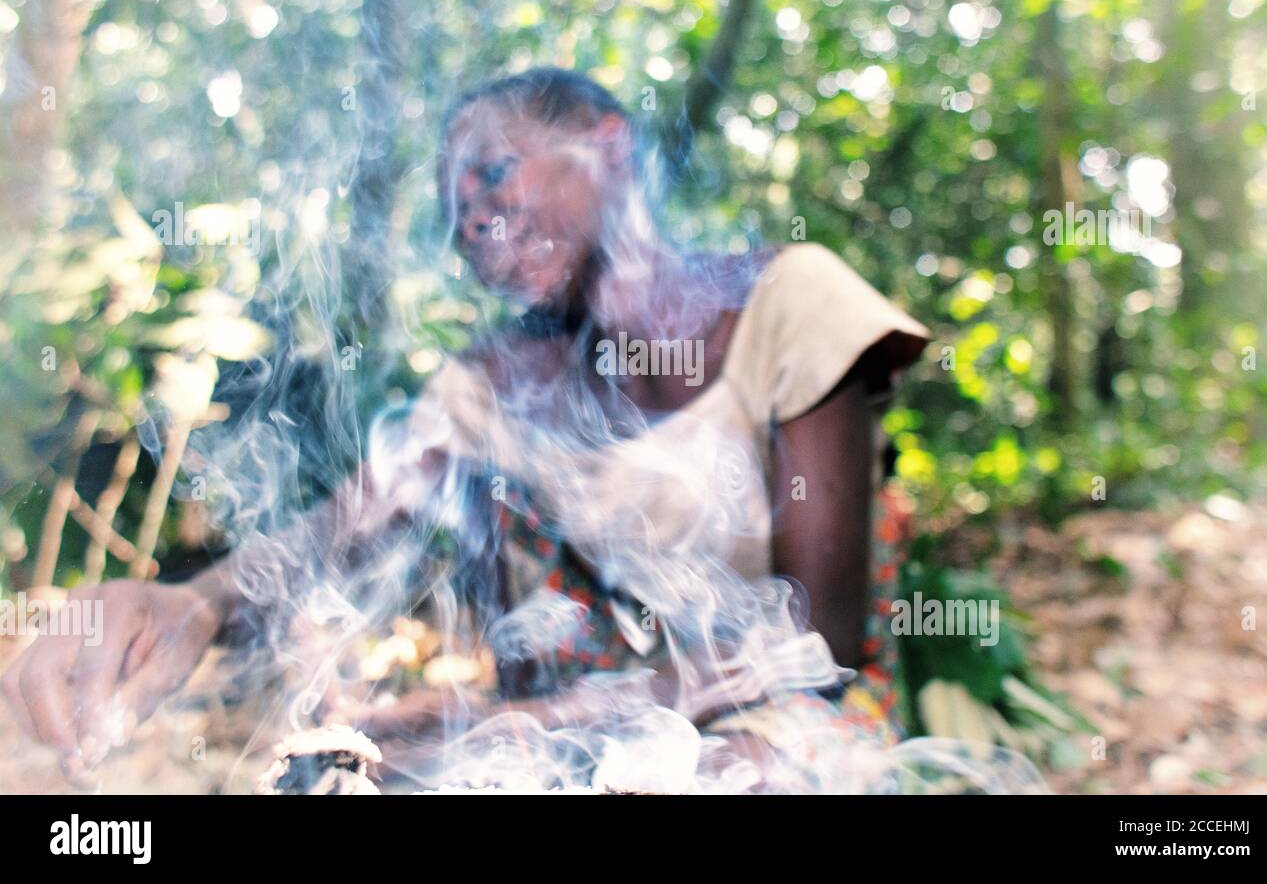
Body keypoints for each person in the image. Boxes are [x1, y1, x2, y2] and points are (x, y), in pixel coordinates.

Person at [2, 67, 928, 791]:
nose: (476, 220)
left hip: (791, 723)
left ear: (612, 145)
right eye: (455, 216)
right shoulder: (494, 382)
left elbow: (821, 642)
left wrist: (543, 724)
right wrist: (191, 604)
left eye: (492, 172)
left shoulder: (786, 300)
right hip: (587, 727)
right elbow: (340, 530)